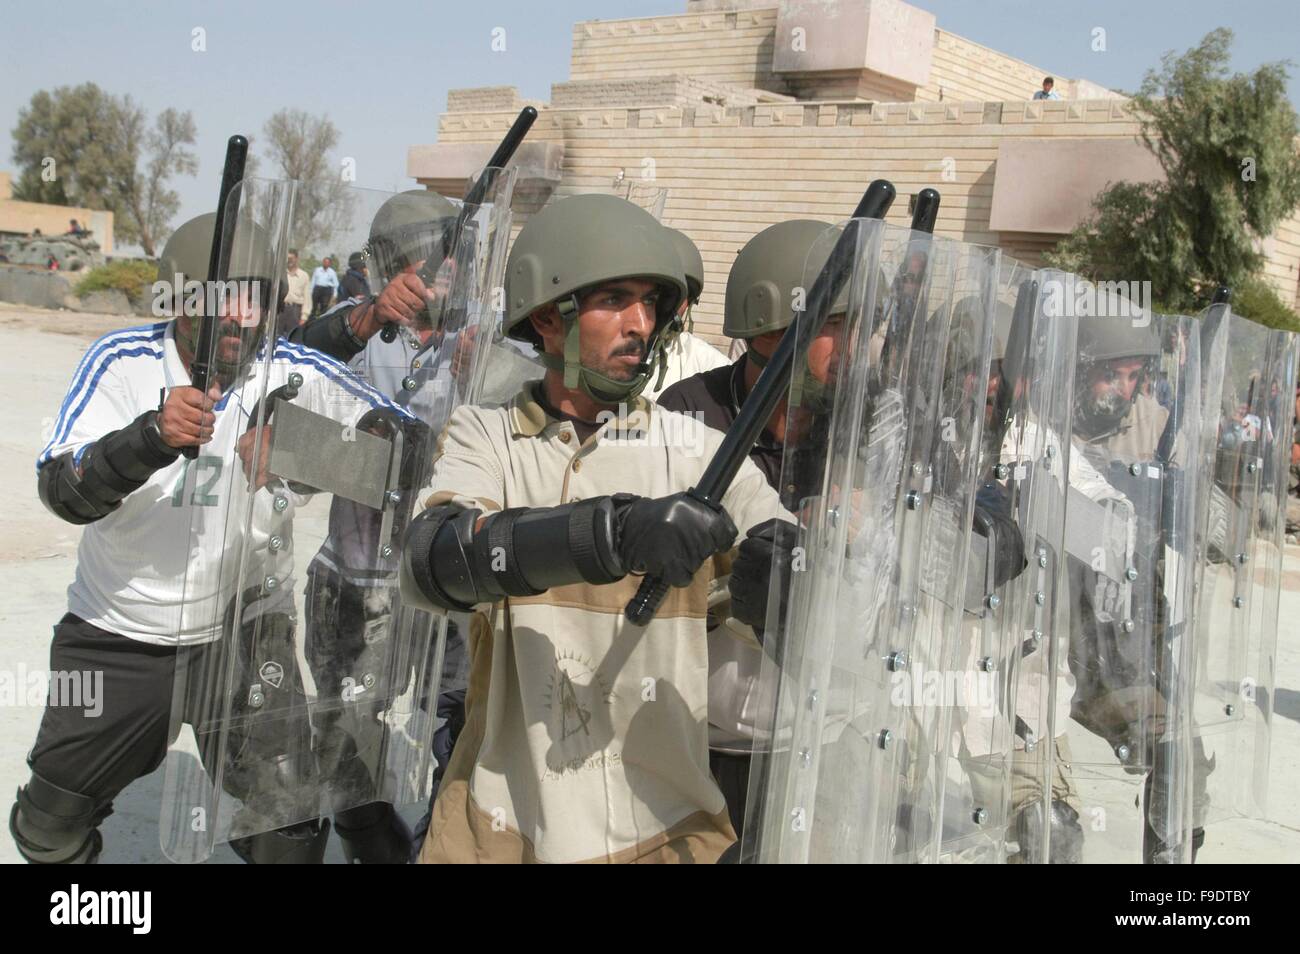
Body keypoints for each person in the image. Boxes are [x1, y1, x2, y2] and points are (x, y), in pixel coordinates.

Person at [398, 193, 789, 863]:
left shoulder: (698, 455)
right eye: (615, 299)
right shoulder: (486, 438)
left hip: (665, 828)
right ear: (549, 316)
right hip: (503, 825)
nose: (640, 322)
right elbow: (435, 562)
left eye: (651, 304)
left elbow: (791, 557)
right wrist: (607, 535)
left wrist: (782, 580)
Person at [13, 211, 406, 864]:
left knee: (290, 825)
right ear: (182, 297)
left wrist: (313, 450)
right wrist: (150, 437)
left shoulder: (287, 369)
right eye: (222, 302)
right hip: (120, 632)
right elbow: (64, 487)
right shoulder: (123, 362)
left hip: (242, 631)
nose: (241, 322)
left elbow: (408, 442)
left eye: (257, 304)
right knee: (48, 827)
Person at [643, 227, 729, 400]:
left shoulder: (708, 366)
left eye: (673, 295)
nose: (661, 305)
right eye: (652, 296)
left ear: (689, 301)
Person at [279, 249, 311, 338]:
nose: (289, 261)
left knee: (292, 338)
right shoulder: (280, 274)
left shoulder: (304, 276)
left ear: (296, 259)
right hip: (280, 309)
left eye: (291, 258)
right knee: (276, 338)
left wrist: (304, 317)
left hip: (295, 311)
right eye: (287, 258)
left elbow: (307, 298)